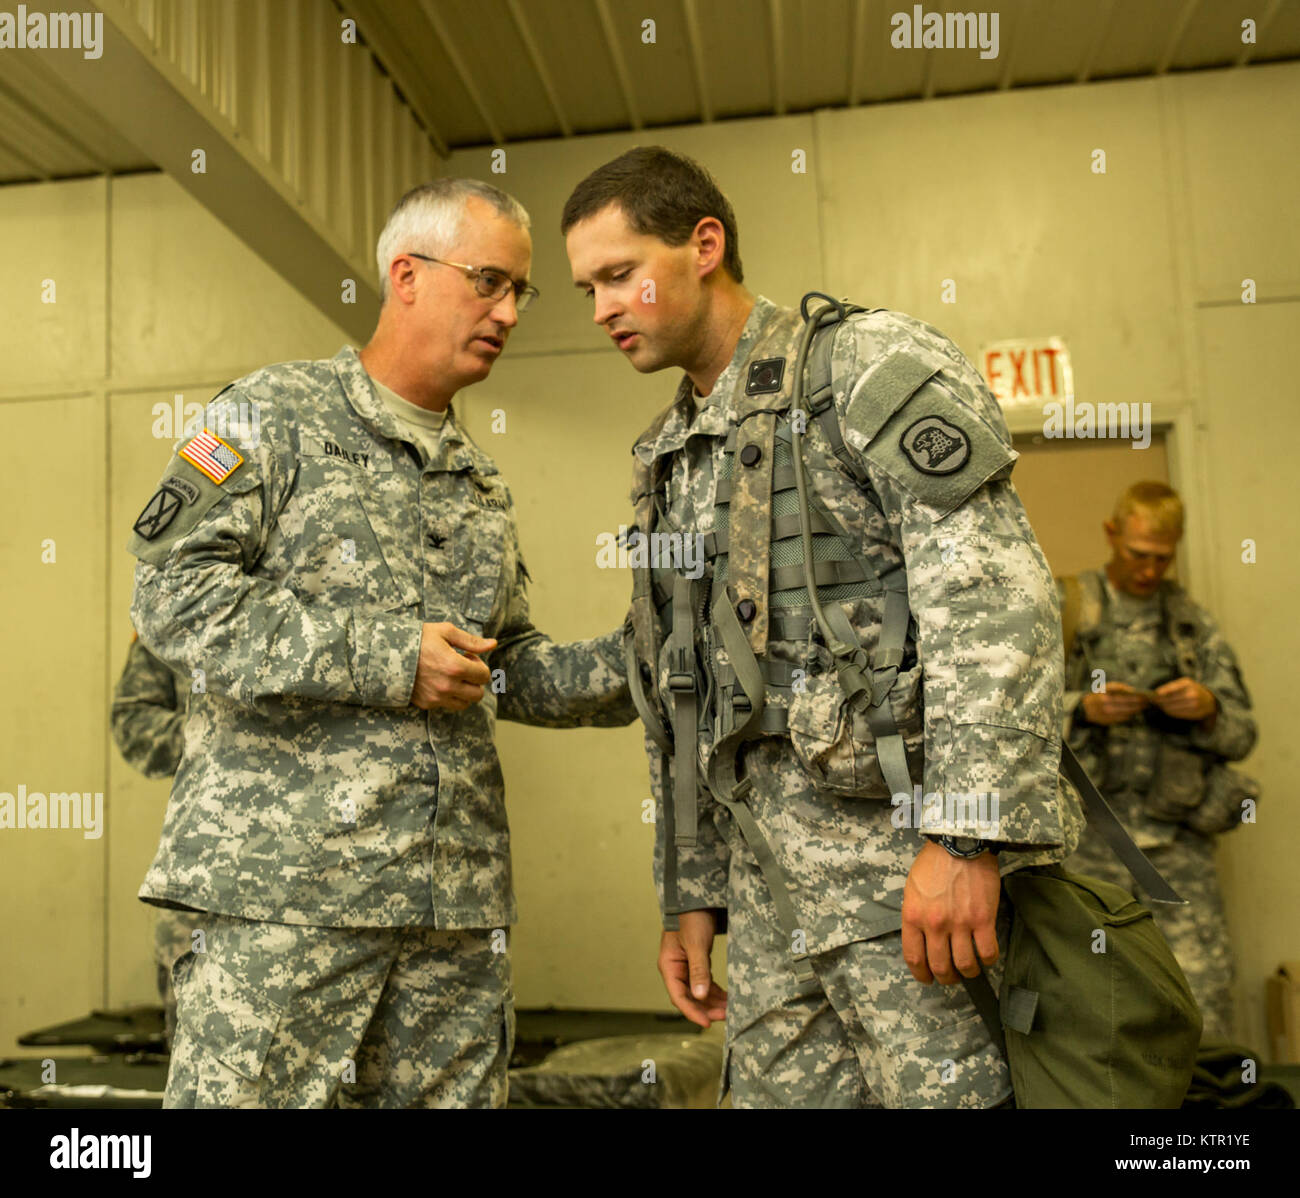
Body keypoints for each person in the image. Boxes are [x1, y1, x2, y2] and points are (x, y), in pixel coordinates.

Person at [562, 146, 1083, 1108]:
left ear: (704, 245)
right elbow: (683, 684)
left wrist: (967, 840)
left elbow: (994, 606)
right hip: (770, 911)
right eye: (586, 288)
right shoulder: (670, 456)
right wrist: (690, 887)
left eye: (618, 274)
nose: (599, 309)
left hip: (914, 894)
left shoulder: (865, 369)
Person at [126, 178, 636, 1108]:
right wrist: (389, 658)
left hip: (451, 916)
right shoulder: (266, 417)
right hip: (288, 899)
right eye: (490, 281)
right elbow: (171, 594)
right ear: (408, 274)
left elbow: (502, 667)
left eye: (521, 291)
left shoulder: (477, 480)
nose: (510, 312)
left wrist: (654, 657)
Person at [1059, 481, 1256, 1041]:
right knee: (1089, 1002)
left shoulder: (1192, 624)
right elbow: (1010, 723)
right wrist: (1084, 709)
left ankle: (1203, 1119)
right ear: (1112, 533)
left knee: (1202, 1000)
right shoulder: (1067, 610)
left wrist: (1208, 707)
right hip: (1089, 847)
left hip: (1178, 847)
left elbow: (1244, 735)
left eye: (1162, 559)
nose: (1148, 571)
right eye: (1137, 555)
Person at [109, 629, 203, 1048]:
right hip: (210, 892)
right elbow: (134, 719)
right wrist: (222, 738)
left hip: (371, 887)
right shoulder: (196, 586)